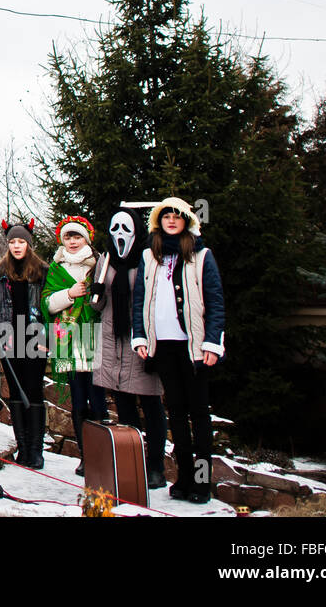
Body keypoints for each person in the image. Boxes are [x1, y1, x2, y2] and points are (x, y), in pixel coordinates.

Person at [133, 197, 224, 504]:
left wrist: (212, 342)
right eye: (166, 215)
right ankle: (183, 478)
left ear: (187, 221)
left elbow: (214, 301)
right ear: (159, 221)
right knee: (177, 414)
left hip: (194, 348)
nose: (171, 220)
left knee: (198, 414)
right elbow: (140, 300)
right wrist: (141, 337)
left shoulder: (201, 255)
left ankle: (201, 482)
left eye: (178, 216)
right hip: (164, 347)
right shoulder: (149, 256)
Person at [91, 205, 167, 488]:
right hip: (113, 340)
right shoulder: (105, 261)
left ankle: (156, 465)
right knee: (124, 405)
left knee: (151, 402)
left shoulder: (148, 260)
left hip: (140, 339)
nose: (119, 234)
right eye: (115, 228)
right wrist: (95, 294)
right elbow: (97, 304)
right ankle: (132, 461)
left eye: (126, 228)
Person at [43, 215, 101, 475]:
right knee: (78, 401)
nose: (73, 241)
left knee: (97, 399)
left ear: (86, 239)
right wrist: (69, 294)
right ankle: (85, 455)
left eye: (78, 236)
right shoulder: (56, 268)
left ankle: (103, 453)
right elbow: (46, 303)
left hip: (94, 336)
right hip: (66, 338)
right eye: (69, 237)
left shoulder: (98, 265)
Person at [0, 220, 49, 469]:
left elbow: (48, 305)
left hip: (35, 336)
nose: (16, 246)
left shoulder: (42, 270)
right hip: (9, 335)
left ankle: (36, 450)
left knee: (34, 390)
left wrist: (48, 337)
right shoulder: (0, 270)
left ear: (28, 243)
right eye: (13, 242)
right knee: (16, 391)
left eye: (21, 241)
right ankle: (22, 447)